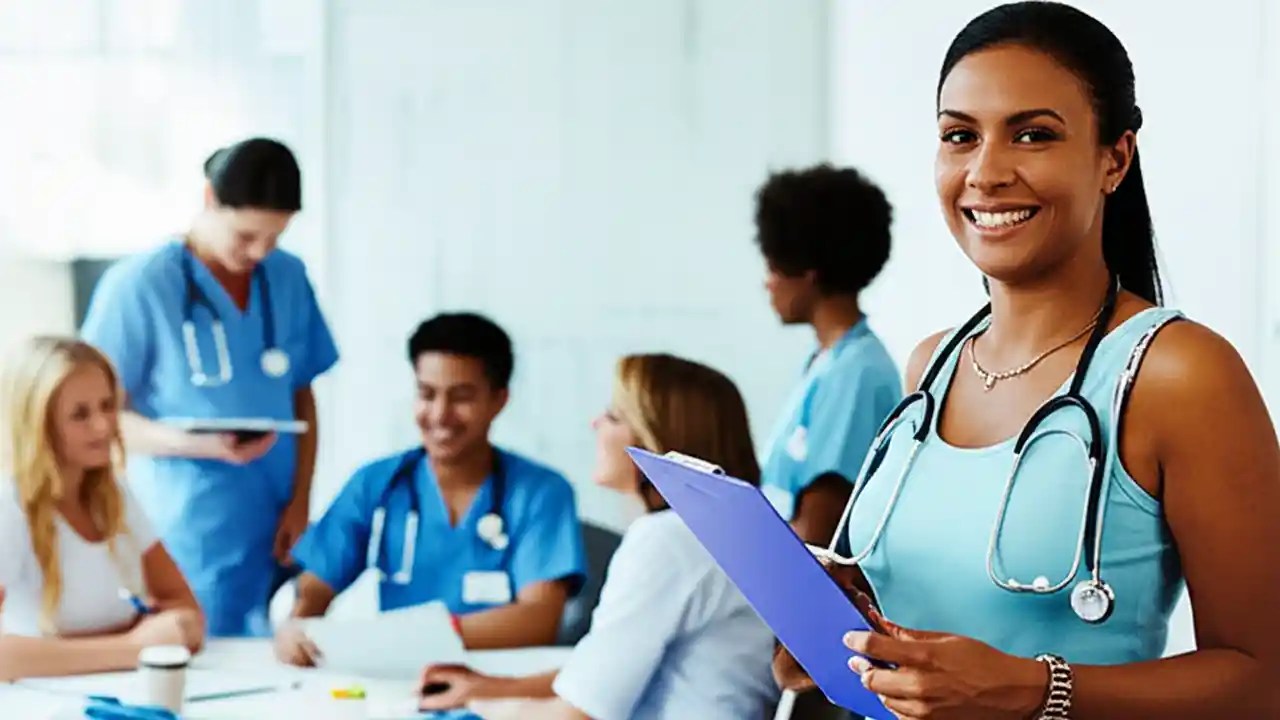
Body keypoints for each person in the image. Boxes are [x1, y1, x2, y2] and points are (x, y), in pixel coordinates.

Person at [775, 2, 1280, 718]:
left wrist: (1036, 689)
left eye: (1033, 135)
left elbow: (1262, 684)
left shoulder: (1177, 375)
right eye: (959, 136)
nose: (985, 172)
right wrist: (837, 629)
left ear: (1116, 157)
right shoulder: (931, 367)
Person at [417, 354, 781, 720]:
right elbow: (601, 676)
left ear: (654, 439)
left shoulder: (667, 540)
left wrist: (482, 705)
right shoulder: (726, 532)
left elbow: (578, 714)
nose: (596, 423)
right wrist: (490, 688)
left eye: (613, 416)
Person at [79, 137, 340, 638]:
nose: (259, 252)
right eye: (246, 235)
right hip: (188, 522)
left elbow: (301, 392)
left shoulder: (287, 276)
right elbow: (103, 418)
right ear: (208, 200)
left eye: (275, 237)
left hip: (277, 518)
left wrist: (301, 500)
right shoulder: (140, 285)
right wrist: (197, 445)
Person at [274, 312, 586, 663]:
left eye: (461, 397)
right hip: (401, 683)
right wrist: (297, 625)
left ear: (499, 400)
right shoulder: (378, 484)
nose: (439, 414)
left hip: (503, 686)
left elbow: (538, 619)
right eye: (427, 394)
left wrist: (421, 638)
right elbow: (316, 583)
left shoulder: (540, 493)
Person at [0, 337, 204, 681]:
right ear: (38, 424)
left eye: (107, 406)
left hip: (115, 687)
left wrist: (170, 630)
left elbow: (187, 612)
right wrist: (133, 647)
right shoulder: (11, 506)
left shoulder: (114, 494)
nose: (102, 425)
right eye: (80, 415)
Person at [753, 165, 902, 545]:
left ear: (806, 272)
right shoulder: (826, 362)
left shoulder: (856, 374)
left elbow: (817, 536)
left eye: (772, 266)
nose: (766, 282)